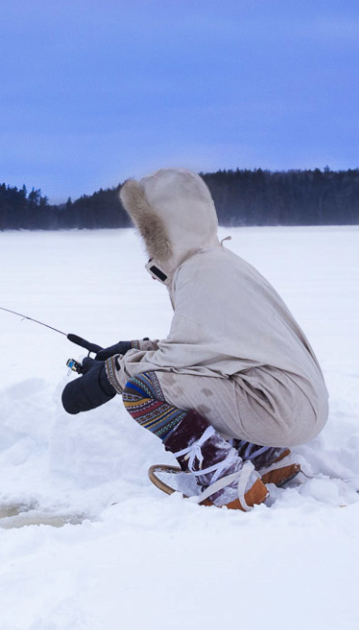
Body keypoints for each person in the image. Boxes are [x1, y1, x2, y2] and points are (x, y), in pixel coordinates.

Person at [61, 167, 329, 510]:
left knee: (143, 390)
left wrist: (112, 375)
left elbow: (187, 354)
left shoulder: (200, 272)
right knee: (190, 379)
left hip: (276, 406)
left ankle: (228, 483)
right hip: (293, 401)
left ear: (162, 227)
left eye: (146, 229)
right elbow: (218, 347)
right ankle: (266, 458)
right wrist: (134, 349)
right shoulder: (220, 261)